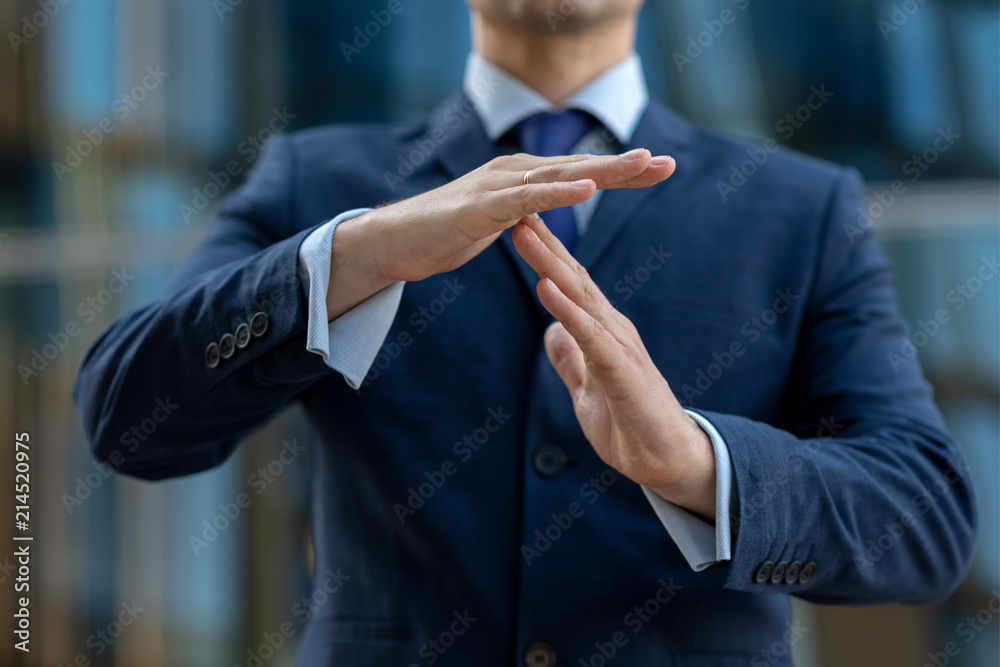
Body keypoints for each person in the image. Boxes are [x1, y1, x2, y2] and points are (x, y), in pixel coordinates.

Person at [74, 1, 977, 665]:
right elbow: (123, 415)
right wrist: (359, 255)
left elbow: (928, 520)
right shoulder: (318, 181)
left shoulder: (801, 207)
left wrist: (695, 466)